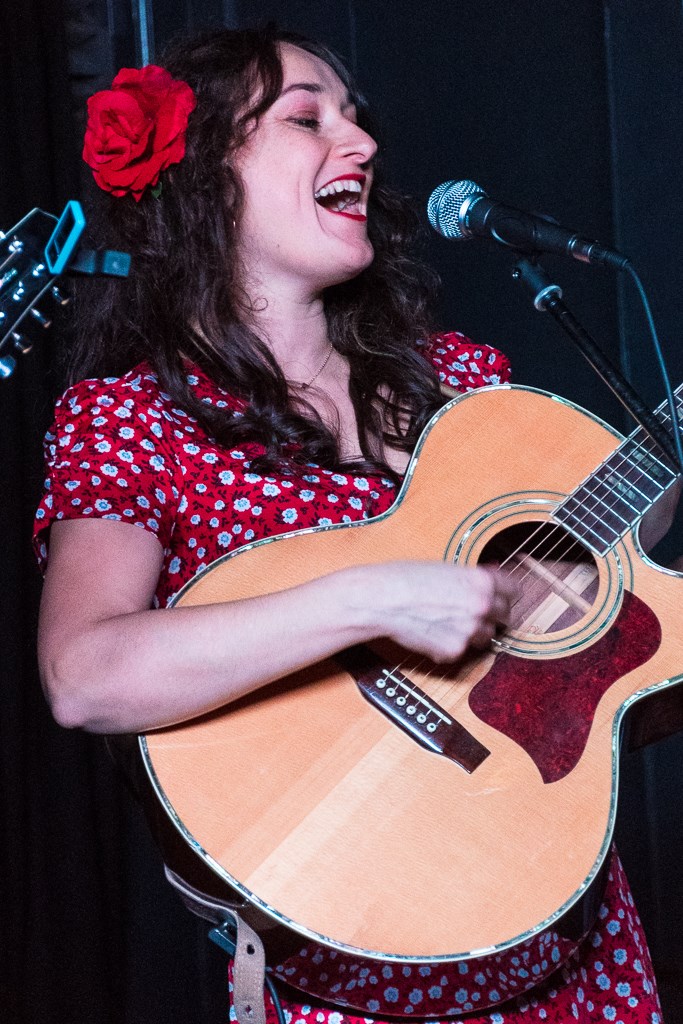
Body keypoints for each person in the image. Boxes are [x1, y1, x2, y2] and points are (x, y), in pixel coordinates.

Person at [34, 25, 672, 1024]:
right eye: (305, 116)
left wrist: (559, 603)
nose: (361, 144)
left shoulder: (461, 385)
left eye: (357, 117)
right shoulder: (132, 419)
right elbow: (86, 676)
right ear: (204, 177)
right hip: (354, 971)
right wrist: (369, 599)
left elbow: (572, 590)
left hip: (566, 940)